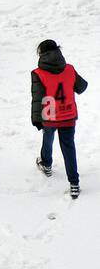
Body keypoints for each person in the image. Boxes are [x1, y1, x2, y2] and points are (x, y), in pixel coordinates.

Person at [32, 39, 88, 199]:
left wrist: (36, 119)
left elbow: (37, 98)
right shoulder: (69, 69)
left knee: (48, 139)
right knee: (68, 148)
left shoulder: (38, 73)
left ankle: (46, 164)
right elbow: (82, 87)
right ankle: (74, 184)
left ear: (41, 54)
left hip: (49, 115)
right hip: (68, 114)